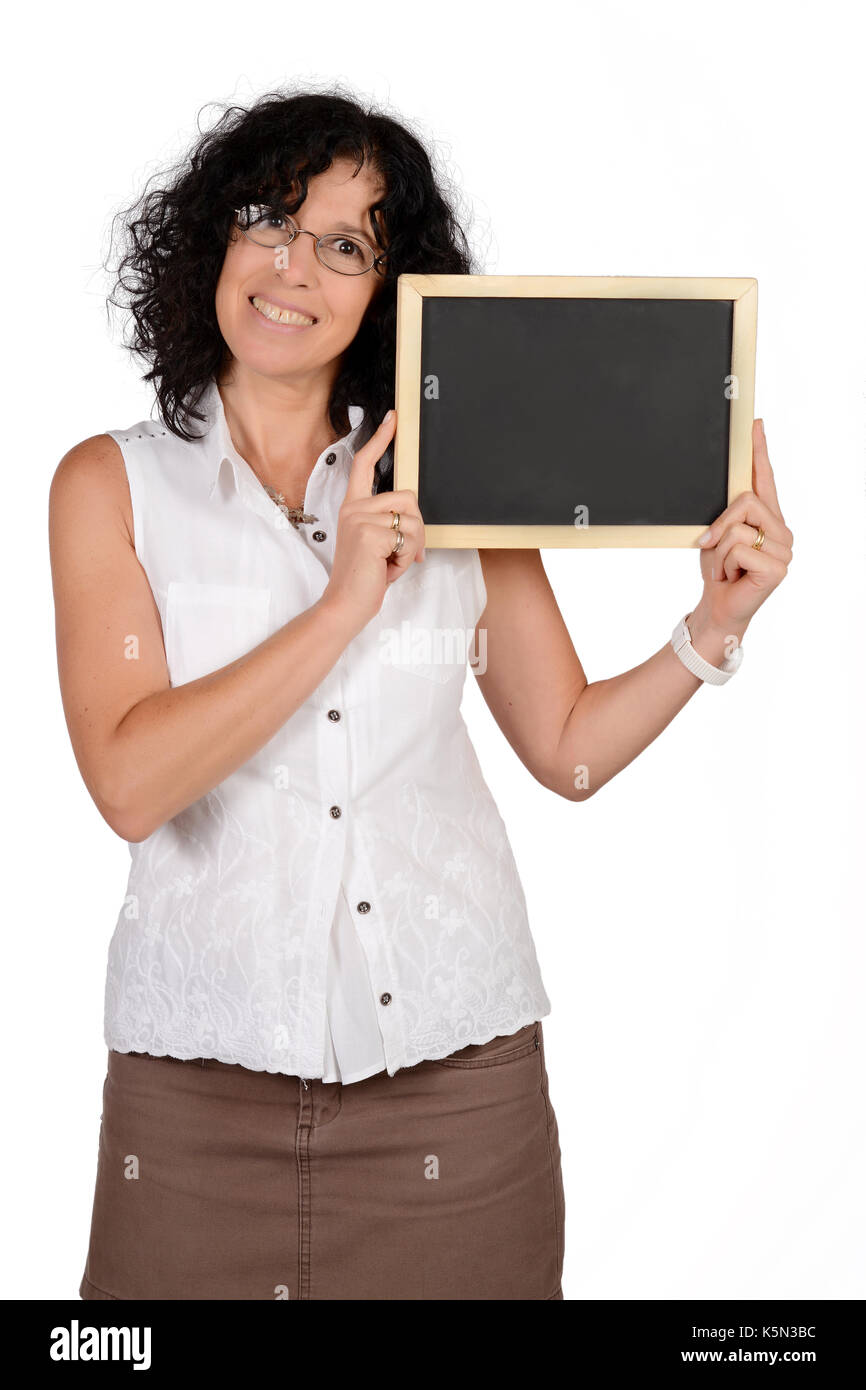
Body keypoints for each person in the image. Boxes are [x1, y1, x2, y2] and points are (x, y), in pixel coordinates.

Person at [49, 88, 792, 1302]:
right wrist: (343, 603)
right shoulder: (110, 485)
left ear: (387, 294)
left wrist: (710, 626)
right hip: (192, 1108)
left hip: (455, 1088)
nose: (294, 267)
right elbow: (130, 784)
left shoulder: (465, 479)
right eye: (268, 220)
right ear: (211, 242)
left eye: (345, 245)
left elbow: (565, 749)